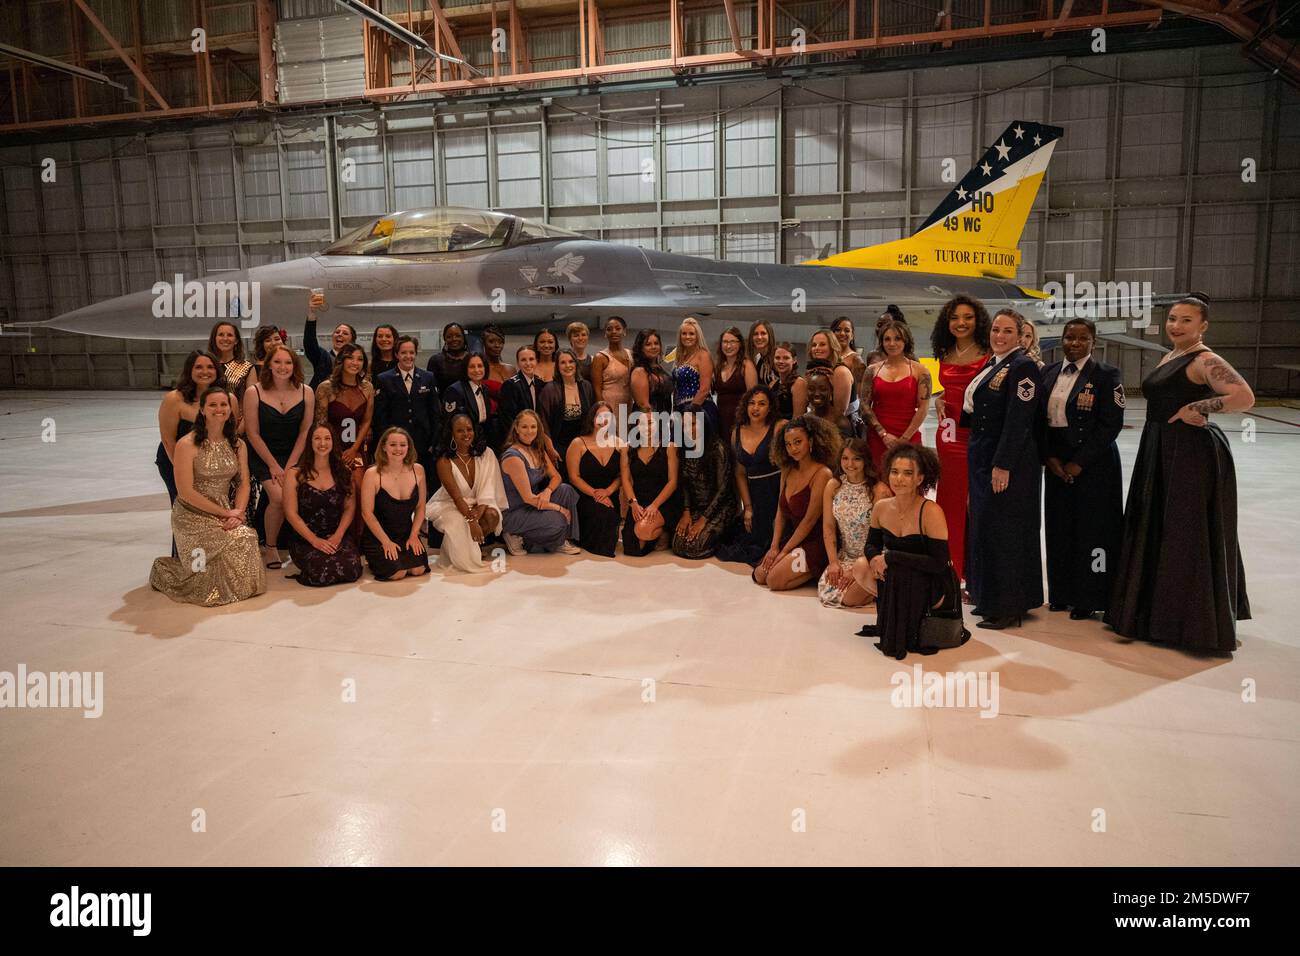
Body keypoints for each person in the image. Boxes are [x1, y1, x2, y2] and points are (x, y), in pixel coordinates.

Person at [1106, 296, 1254, 654]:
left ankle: (1193, 624)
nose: (1176, 326)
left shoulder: (1205, 359)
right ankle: (1157, 615)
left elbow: (1243, 396)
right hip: (1160, 448)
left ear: (1202, 326)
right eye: (1173, 319)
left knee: (1186, 533)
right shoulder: (1172, 355)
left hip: (1189, 454)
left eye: (1186, 321)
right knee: (1160, 527)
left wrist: (1198, 406)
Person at [961, 308, 1043, 629]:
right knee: (985, 529)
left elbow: (1019, 421)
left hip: (1006, 462)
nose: (999, 336)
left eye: (1007, 331)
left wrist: (1003, 464)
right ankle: (988, 597)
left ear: (1020, 335)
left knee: (1004, 531)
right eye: (996, 329)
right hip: (982, 457)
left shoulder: (1022, 367)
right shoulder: (994, 363)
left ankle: (1008, 606)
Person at [1038, 318, 1124, 620]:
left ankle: (1088, 597)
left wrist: (1079, 463)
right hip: (1056, 463)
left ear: (1093, 342)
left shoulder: (1106, 376)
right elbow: (1040, 421)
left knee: (1091, 532)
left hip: (1094, 466)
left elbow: (1110, 424)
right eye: (1069, 337)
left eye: (1082, 339)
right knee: (1059, 529)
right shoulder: (1048, 373)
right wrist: (1050, 457)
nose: (1074, 343)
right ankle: (1061, 593)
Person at [149, 386, 266, 606]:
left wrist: (238, 513)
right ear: (202, 410)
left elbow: (243, 483)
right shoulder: (187, 444)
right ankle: (164, 570)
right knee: (202, 579)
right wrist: (225, 512)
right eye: (212, 404)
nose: (219, 409)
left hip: (225, 510)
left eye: (224, 405)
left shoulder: (237, 444)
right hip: (192, 516)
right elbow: (185, 492)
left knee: (246, 538)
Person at [856, 444, 960, 659]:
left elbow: (939, 563)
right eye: (894, 472)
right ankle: (894, 619)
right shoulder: (881, 507)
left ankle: (904, 627)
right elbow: (870, 545)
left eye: (907, 473)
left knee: (899, 572)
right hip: (898, 576)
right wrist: (875, 558)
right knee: (861, 566)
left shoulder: (931, 511)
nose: (899, 479)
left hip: (932, 580)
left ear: (920, 479)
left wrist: (892, 557)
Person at [931, 295, 991, 584]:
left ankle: (976, 569)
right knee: (949, 502)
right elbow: (950, 390)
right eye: (955, 317)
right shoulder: (944, 351)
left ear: (978, 320)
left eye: (967, 317)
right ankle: (952, 569)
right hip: (948, 433)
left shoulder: (989, 352)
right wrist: (940, 399)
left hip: (977, 434)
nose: (961, 323)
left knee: (976, 503)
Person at [243, 344, 313, 569]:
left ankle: (301, 542)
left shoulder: (306, 392)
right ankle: (270, 546)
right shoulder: (254, 392)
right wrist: (273, 466)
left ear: (295, 366)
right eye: (278, 362)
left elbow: (305, 431)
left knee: (299, 494)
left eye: (288, 362)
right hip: (264, 454)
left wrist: (291, 465)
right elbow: (252, 433)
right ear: (269, 365)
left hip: (295, 454)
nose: (283, 367)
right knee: (278, 497)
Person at [753, 416, 838, 590]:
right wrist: (774, 547)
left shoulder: (823, 474)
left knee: (774, 580)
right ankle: (795, 567)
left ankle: (815, 569)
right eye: (788, 444)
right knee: (760, 575)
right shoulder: (787, 468)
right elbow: (780, 511)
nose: (793, 449)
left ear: (811, 441)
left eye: (798, 442)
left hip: (815, 541)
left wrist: (784, 552)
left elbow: (809, 521)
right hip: (794, 538)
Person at [428, 413, 509, 573]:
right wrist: (471, 521)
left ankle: (473, 547)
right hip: (450, 503)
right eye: (459, 431)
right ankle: (464, 554)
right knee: (459, 523)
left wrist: (476, 515)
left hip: (479, 502)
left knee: (492, 515)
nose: (466, 434)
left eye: (469, 429)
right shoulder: (444, 461)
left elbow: (487, 490)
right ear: (451, 433)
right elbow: (456, 497)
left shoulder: (486, 454)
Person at [282, 424, 363, 587]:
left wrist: (338, 536)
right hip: (305, 538)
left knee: (351, 569)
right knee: (320, 571)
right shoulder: (294, 474)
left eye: (327, 438)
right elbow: (291, 513)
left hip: (336, 535)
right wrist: (315, 541)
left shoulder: (344, 472)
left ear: (333, 442)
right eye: (317, 438)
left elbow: (349, 508)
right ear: (310, 442)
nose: (322, 443)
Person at [717, 385, 786, 565]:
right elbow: (739, 473)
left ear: (770, 407)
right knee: (746, 541)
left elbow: (790, 468)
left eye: (762, 404)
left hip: (777, 489)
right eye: (752, 403)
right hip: (754, 493)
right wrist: (747, 507)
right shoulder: (736, 432)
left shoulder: (780, 427)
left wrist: (783, 501)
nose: (756, 408)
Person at [818, 438, 889, 608]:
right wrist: (834, 562)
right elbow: (828, 527)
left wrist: (858, 569)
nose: (850, 464)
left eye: (856, 458)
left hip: (873, 557)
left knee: (850, 599)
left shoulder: (878, 490)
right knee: (829, 592)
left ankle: (884, 586)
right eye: (845, 458)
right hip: (847, 556)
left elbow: (881, 538)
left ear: (865, 460)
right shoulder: (833, 486)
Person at [500, 410, 582, 555]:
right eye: (524, 427)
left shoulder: (537, 450)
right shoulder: (513, 456)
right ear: (516, 429)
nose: (529, 431)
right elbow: (528, 498)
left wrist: (548, 491)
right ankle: (514, 534)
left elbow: (557, 477)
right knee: (558, 520)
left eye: (533, 427)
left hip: (533, 506)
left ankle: (562, 540)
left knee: (565, 490)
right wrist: (560, 509)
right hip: (515, 512)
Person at [359, 427, 430, 580]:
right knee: (398, 573)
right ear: (384, 447)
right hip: (379, 536)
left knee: (418, 570)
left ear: (408, 447)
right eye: (393, 445)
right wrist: (385, 542)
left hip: (406, 534)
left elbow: (420, 507)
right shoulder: (372, 474)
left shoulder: (418, 470)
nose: (398, 449)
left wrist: (414, 535)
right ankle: (373, 559)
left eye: (403, 445)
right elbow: (367, 513)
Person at [861, 319, 929, 471]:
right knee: (879, 484)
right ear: (882, 342)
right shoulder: (872, 370)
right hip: (879, 437)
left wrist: (905, 438)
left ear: (906, 340)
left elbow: (924, 407)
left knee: (909, 482)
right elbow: (864, 404)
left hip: (909, 436)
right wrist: (882, 433)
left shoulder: (920, 370)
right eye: (887, 339)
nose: (892, 343)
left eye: (897, 338)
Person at [373, 336, 441, 483]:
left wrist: (433, 443)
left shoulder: (427, 377)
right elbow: (381, 416)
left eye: (411, 352)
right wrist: (385, 443)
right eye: (404, 353)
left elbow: (435, 413)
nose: (408, 356)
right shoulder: (384, 379)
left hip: (423, 443)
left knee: (424, 482)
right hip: (396, 445)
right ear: (396, 354)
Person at [157, 350, 219, 507]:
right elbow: (168, 440)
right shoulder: (174, 399)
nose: (205, 372)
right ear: (189, 370)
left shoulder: (225, 398)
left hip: (213, 466)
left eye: (210, 367)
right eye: (198, 367)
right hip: (175, 461)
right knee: (185, 509)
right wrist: (182, 472)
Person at [672, 410, 738, 560]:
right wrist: (686, 512)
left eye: (693, 424)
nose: (688, 429)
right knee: (678, 545)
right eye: (684, 425)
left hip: (721, 506)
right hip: (697, 507)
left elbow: (723, 490)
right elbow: (685, 485)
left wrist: (703, 520)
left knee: (695, 548)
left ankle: (722, 536)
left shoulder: (718, 448)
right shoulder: (684, 448)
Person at [620, 408, 681, 557]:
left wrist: (655, 505)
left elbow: (673, 482)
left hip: (662, 502)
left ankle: (663, 530)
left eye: (650, 423)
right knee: (631, 548)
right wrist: (633, 503)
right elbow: (626, 479)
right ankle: (658, 534)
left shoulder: (669, 447)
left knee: (642, 530)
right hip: (639, 501)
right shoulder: (627, 448)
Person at [566, 401, 623, 557]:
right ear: (592, 418)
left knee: (610, 516)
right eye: (600, 416)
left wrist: (608, 491)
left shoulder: (619, 443)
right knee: (602, 515)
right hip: (585, 496)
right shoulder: (578, 443)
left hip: (610, 496)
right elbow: (574, 477)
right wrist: (596, 494)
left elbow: (622, 476)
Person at [538, 349, 596, 479]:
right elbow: (542, 421)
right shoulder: (550, 390)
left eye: (571, 361)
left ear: (576, 364)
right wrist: (550, 449)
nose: (568, 365)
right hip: (560, 445)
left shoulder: (586, 386)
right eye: (563, 362)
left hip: (583, 443)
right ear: (557, 367)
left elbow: (592, 417)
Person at [303, 291, 358, 389]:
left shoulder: (356, 361)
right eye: (337, 332)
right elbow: (309, 342)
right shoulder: (322, 357)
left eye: (345, 333)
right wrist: (312, 313)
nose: (340, 335)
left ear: (352, 341)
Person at [444, 352, 498, 447]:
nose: (477, 370)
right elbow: (450, 423)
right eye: (472, 367)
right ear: (465, 369)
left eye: (480, 366)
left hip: (484, 442)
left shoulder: (485, 389)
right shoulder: (455, 390)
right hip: (463, 444)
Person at [672, 317, 717, 430]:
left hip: (700, 408)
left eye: (691, 334)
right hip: (680, 408)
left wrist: (689, 412)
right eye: (684, 334)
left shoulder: (703, 355)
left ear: (698, 336)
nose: (687, 337)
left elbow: (704, 389)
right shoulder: (680, 357)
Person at [713, 326, 757, 437]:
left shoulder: (746, 366)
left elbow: (753, 397)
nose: (728, 346)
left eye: (732, 342)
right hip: (720, 420)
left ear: (740, 344)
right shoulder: (719, 367)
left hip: (741, 421)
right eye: (725, 342)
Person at [590, 316, 633, 419]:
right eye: (609, 329)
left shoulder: (631, 354)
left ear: (624, 331)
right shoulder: (600, 357)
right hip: (609, 404)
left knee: (626, 433)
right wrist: (602, 410)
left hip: (628, 404)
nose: (614, 332)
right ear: (605, 333)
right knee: (611, 434)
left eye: (618, 328)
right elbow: (597, 388)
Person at [629, 329, 673, 418]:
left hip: (663, 420)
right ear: (640, 348)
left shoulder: (659, 368)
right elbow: (643, 404)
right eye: (648, 344)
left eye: (656, 343)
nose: (653, 347)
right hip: (648, 422)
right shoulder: (640, 371)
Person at [207, 321, 253, 398]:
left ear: (236, 341)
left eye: (230, 335)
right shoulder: (206, 365)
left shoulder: (248, 368)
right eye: (221, 335)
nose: (225, 338)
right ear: (214, 339)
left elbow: (252, 399)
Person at [806, 369, 855, 439]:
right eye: (811, 389)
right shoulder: (806, 419)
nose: (816, 393)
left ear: (831, 391)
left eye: (823, 389)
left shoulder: (840, 422)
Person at [426, 323, 470, 392]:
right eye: (449, 337)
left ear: (463, 337)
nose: (454, 339)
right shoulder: (435, 360)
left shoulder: (473, 359)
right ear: (444, 339)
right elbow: (431, 389)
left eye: (458, 336)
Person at [831, 316, 868, 397]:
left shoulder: (856, 359)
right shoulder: (827, 355)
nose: (842, 333)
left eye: (847, 330)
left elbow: (860, 394)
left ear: (852, 336)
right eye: (838, 330)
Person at [482, 324, 515, 405]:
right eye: (491, 341)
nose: (497, 345)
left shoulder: (511, 369)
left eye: (500, 342)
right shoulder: (480, 369)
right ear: (483, 343)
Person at [771, 342, 801, 420]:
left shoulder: (799, 383)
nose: (781, 361)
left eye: (786, 358)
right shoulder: (772, 384)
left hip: (789, 430)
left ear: (794, 360)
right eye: (777, 358)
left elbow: (797, 419)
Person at [748, 320, 778, 388]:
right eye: (755, 334)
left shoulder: (778, 356)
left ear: (770, 335)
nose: (759, 337)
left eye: (763, 333)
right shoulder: (757, 358)